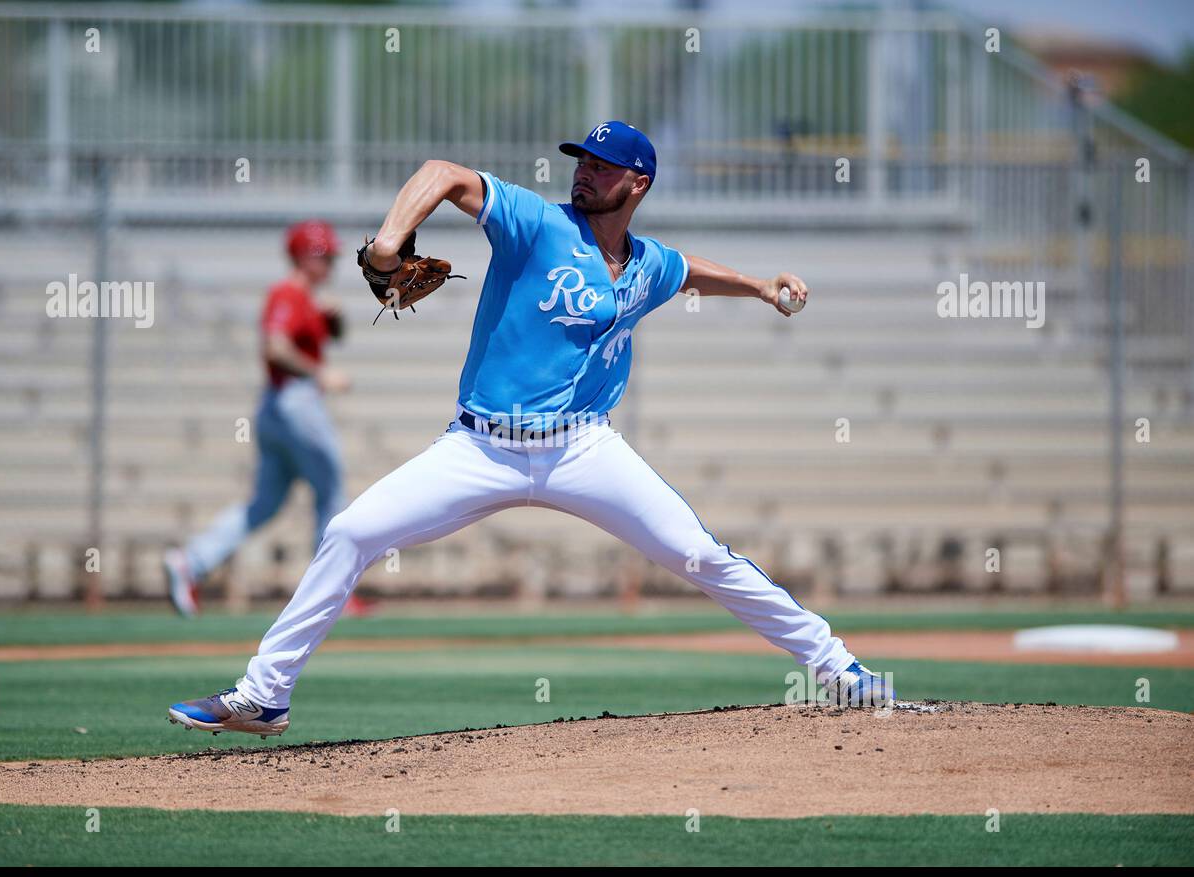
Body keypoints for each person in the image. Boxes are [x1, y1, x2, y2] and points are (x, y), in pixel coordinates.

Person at [167, 121, 893, 738]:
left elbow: (686, 271)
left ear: (637, 184)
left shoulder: (645, 266)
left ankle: (839, 670)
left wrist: (761, 286)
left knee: (699, 556)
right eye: (582, 160)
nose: (585, 173)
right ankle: (264, 696)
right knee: (352, 533)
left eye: (603, 166)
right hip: (480, 445)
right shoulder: (535, 223)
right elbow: (443, 173)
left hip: (584, 449)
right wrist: (390, 242)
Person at [162, 220, 373, 619]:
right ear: (305, 256)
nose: (331, 263)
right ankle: (331, 595)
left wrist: (334, 317)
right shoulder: (288, 294)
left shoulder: (309, 299)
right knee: (330, 491)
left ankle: (191, 562)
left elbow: (335, 336)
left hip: (278, 407)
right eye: (324, 256)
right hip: (295, 402)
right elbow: (275, 348)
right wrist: (319, 373)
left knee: (265, 504)